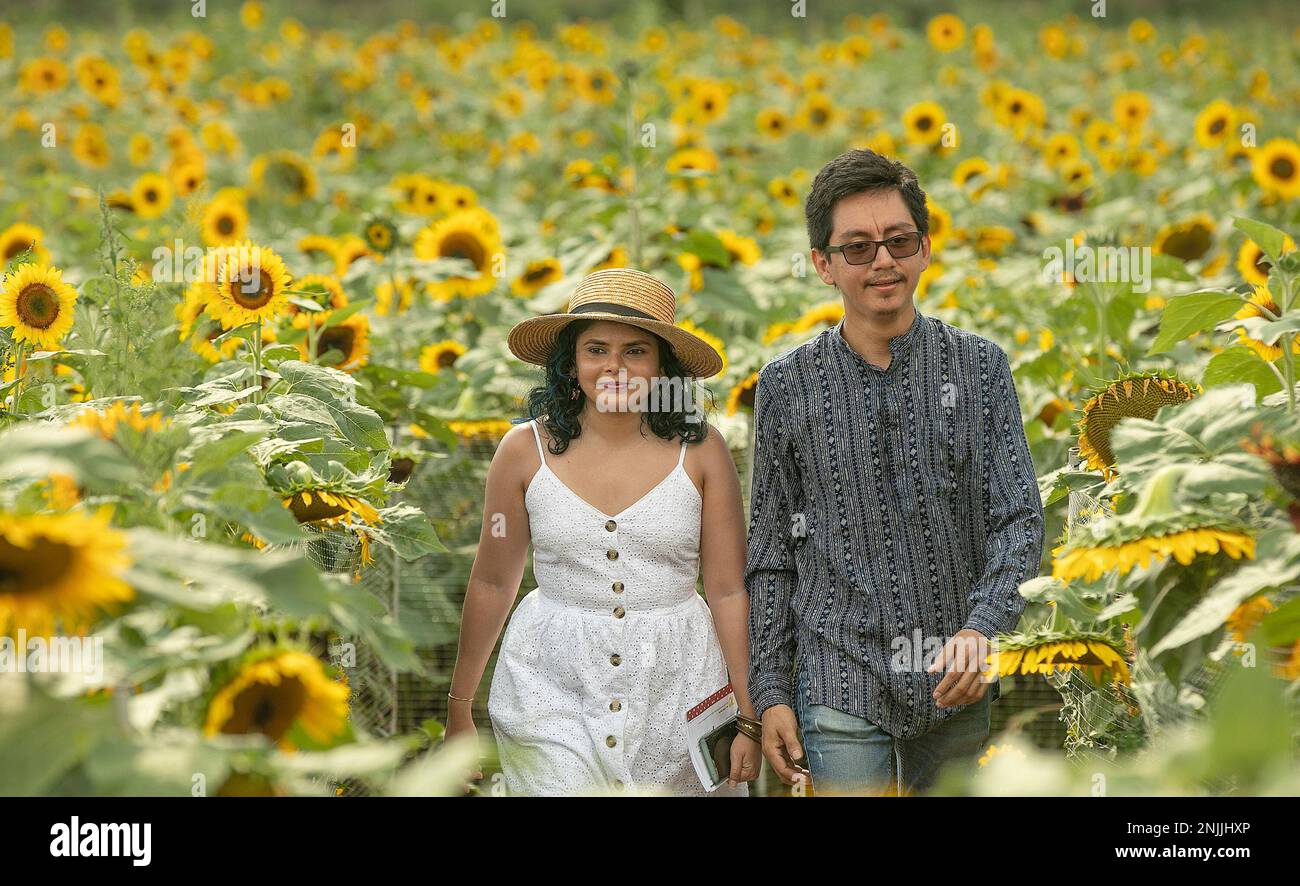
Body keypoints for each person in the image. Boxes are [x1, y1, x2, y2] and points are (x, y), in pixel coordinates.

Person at [746, 149, 1045, 796]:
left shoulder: (979, 370)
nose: (882, 260)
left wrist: (983, 627)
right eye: (856, 248)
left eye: (898, 241)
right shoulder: (786, 387)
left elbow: (1019, 518)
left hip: (956, 668)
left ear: (925, 248)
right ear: (823, 265)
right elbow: (770, 553)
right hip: (840, 673)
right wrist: (769, 690)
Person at [446, 267, 760, 796]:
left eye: (635, 351)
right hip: (550, 678)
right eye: (596, 349)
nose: (614, 367)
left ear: (664, 365)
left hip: (679, 678)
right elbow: (493, 582)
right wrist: (459, 710)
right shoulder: (524, 451)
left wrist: (748, 716)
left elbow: (729, 590)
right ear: (571, 361)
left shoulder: (703, 452)